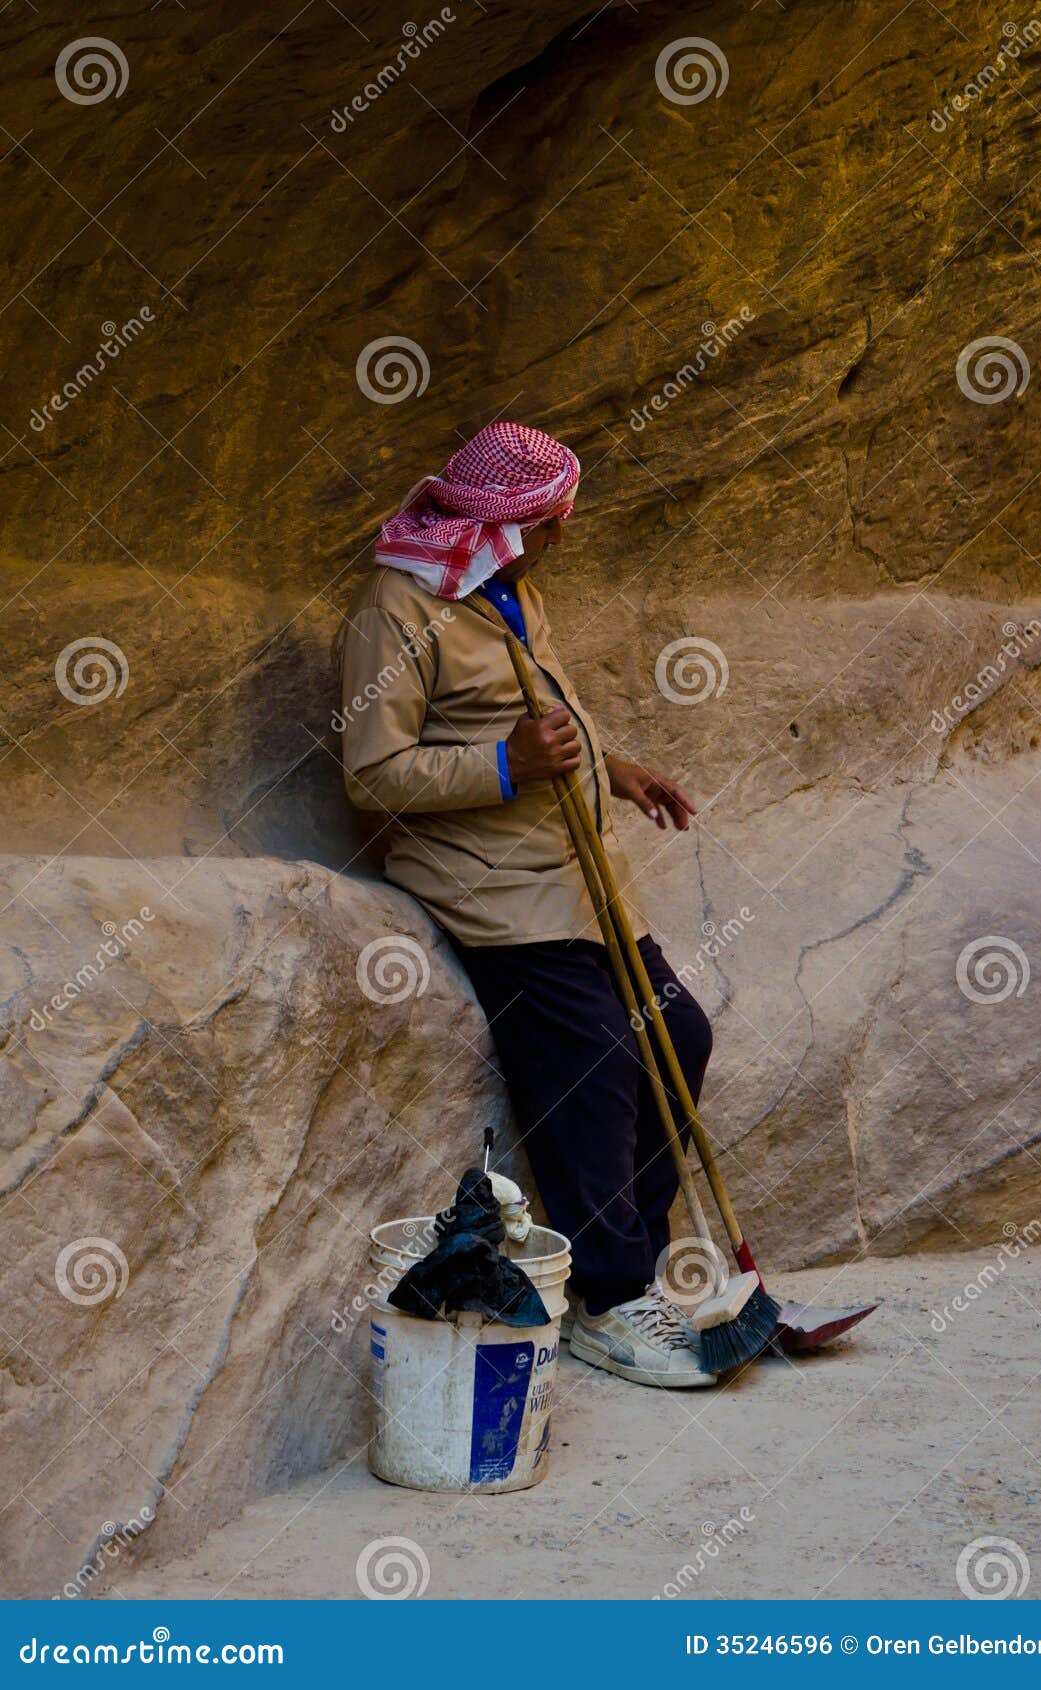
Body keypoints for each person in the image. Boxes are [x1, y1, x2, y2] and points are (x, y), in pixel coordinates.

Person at [339, 421, 715, 1387]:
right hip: (488, 886)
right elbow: (372, 774)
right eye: (553, 519)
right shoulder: (395, 609)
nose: (562, 533)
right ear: (509, 522)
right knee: (594, 1057)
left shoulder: (510, 587)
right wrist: (507, 764)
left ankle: (633, 1269)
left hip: (576, 876)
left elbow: (544, 713)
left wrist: (612, 767)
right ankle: (609, 1300)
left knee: (677, 1035)